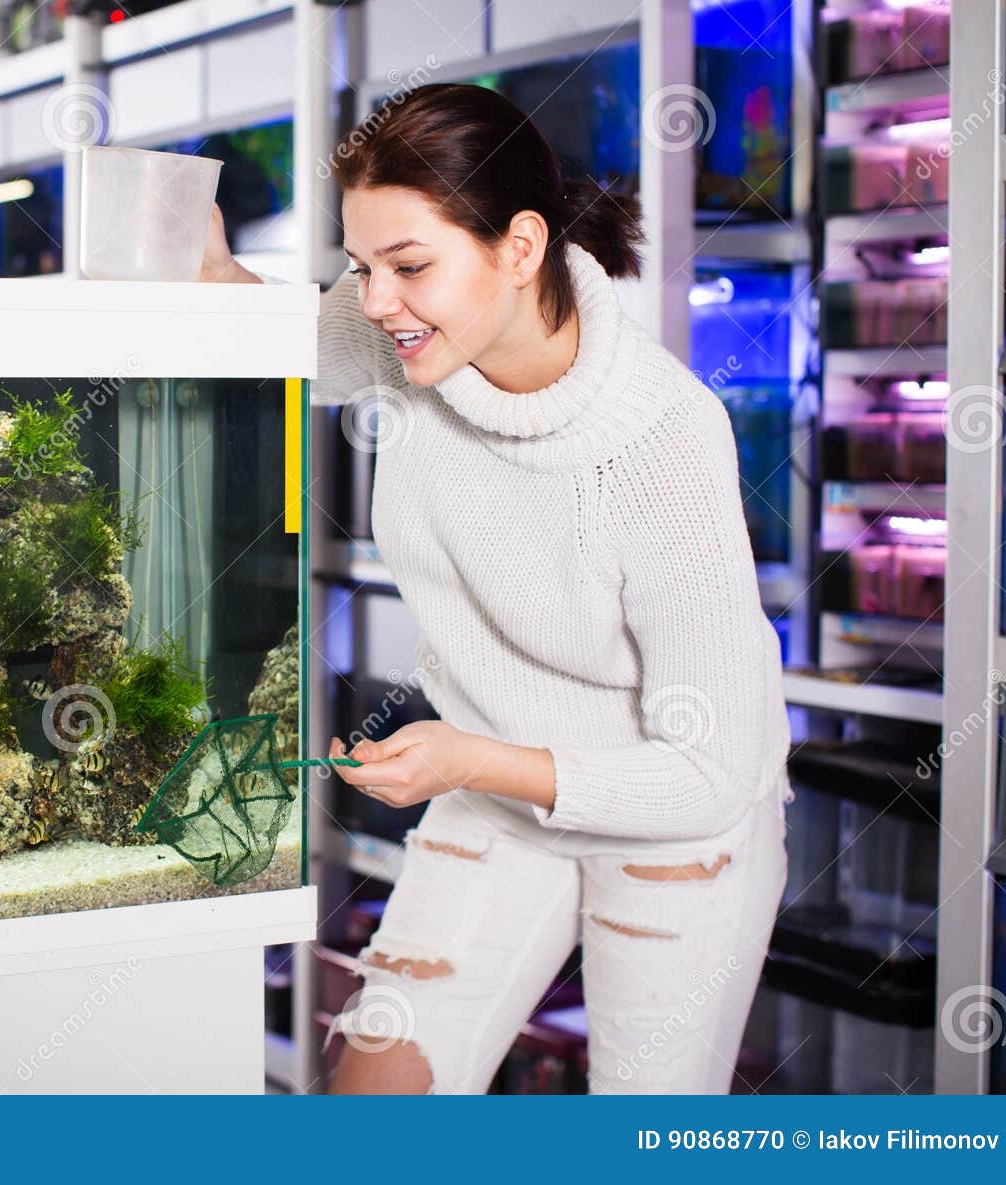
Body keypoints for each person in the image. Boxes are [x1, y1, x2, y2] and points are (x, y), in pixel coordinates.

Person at [198, 83, 791, 1095]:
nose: (377, 300)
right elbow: (273, 331)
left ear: (519, 248)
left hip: (674, 826)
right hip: (494, 802)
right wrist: (198, 254)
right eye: (360, 266)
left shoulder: (662, 437)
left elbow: (713, 772)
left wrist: (471, 755)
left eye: (410, 265)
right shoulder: (410, 339)